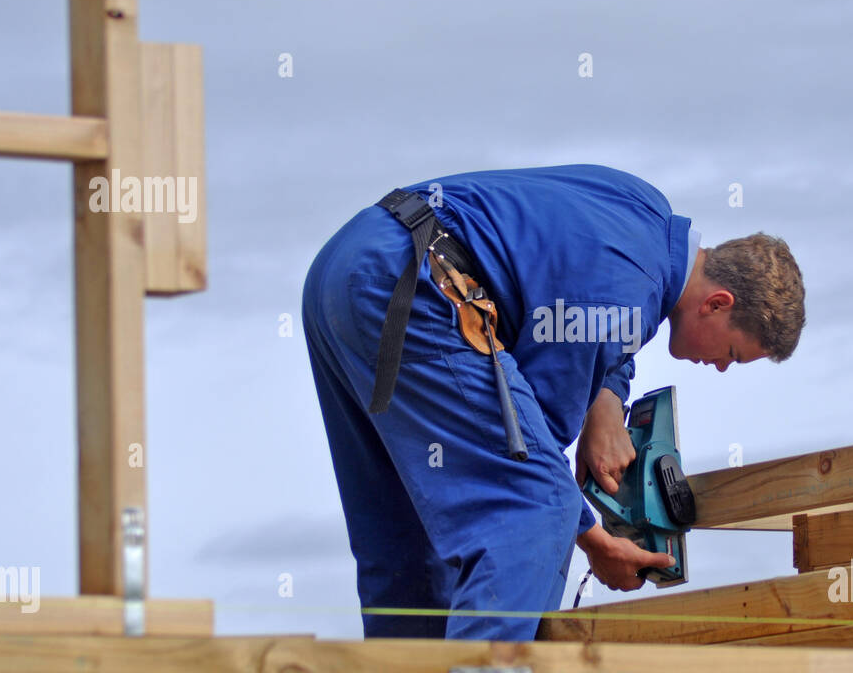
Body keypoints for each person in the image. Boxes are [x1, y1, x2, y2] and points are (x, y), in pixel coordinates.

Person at [302, 163, 804, 640]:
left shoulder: (646, 217)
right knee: (535, 511)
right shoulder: (630, 295)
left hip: (349, 268)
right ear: (719, 304)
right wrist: (597, 541)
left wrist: (606, 403)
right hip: (417, 288)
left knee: (407, 534)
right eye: (733, 354)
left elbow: (583, 301)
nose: (719, 367)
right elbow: (531, 455)